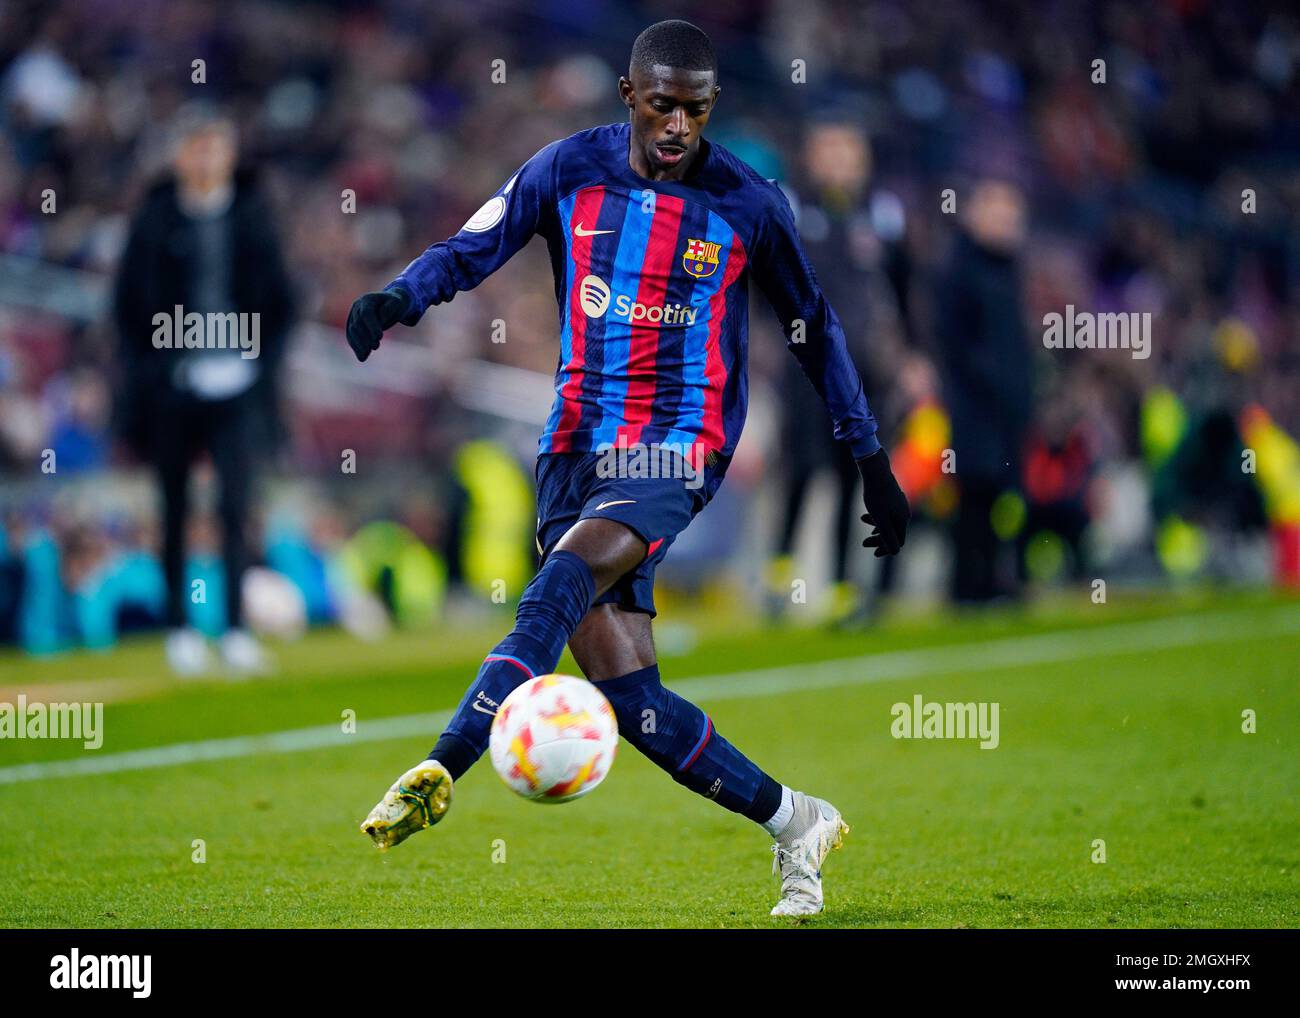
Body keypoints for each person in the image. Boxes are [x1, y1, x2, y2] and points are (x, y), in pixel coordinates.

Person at [347, 20, 909, 917]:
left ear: (711, 105)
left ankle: (441, 763)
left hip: (679, 445)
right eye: (662, 105)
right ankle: (795, 819)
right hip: (573, 443)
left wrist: (869, 455)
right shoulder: (568, 169)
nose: (678, 124)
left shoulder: (750, 204)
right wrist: (398, 295)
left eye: (694, 107)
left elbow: (817, 329)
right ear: (629, 96)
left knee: (560, 579)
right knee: (633, 701)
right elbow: (476, 242)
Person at [113, 106, 294, 675]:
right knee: (174, 505)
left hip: (236, 384)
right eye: (196, 147)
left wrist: (258, 362)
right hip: (174, 383)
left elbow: (281, 300)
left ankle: (235, 628)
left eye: (216, 147)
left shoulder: (251, 216)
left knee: (236, 504)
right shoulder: (156, 217)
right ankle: (179, 630)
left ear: (230, 155)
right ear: (179, 155)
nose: (207, 158)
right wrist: (154, 368)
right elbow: (127, 304)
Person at [934, 179, 1032, 604]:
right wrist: (991, 382)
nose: (1006, 223)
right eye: (997, 212)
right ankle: (966, 585)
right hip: (973, 405)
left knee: (1001, 495)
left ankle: (997, 578)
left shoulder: (1008, 268)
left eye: (1011, 214)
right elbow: (954, 340)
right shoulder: (959, 267)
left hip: (1007, 406)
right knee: (972, 493)